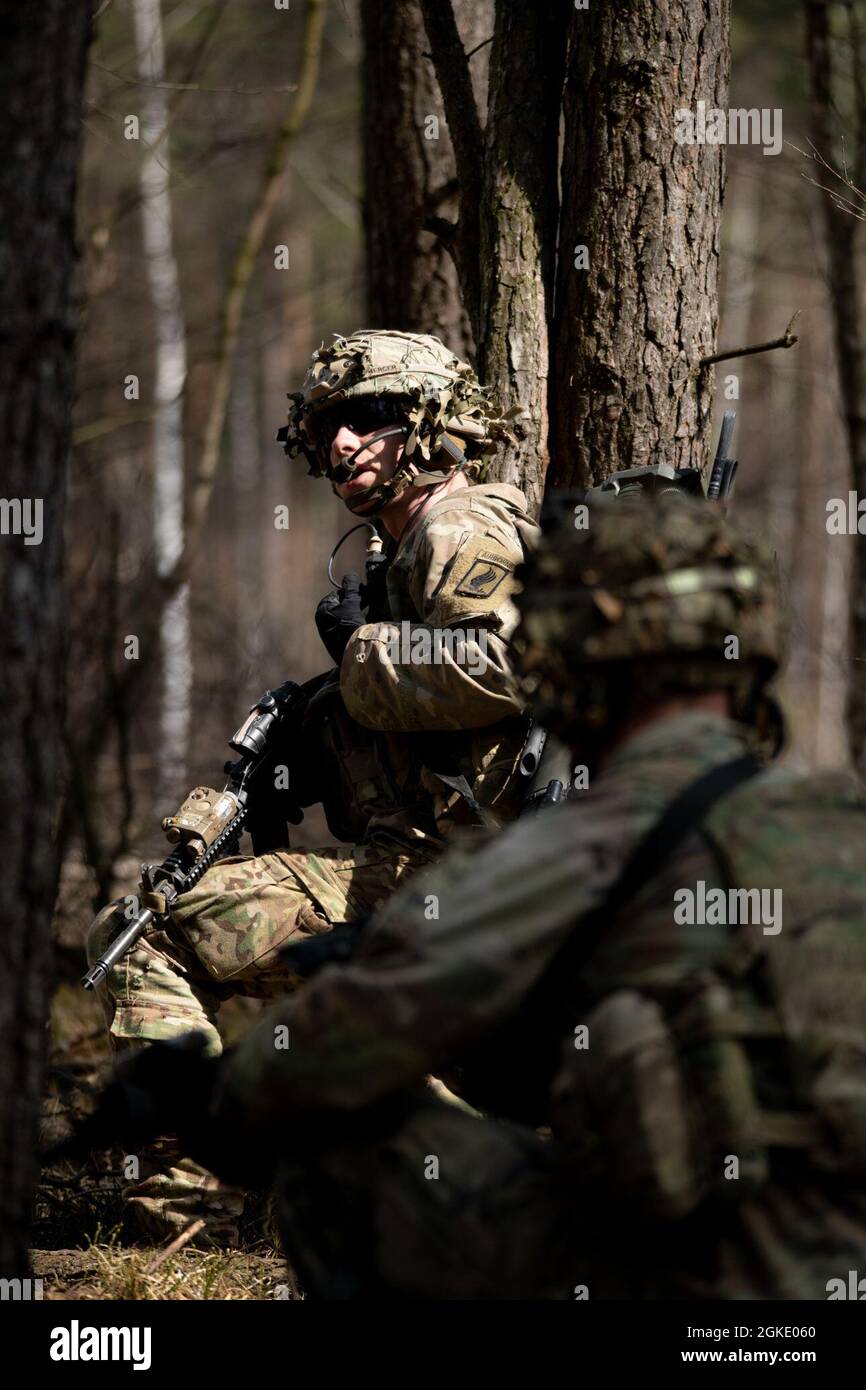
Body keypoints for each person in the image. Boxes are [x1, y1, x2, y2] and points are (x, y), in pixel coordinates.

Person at [181, 490, 866, 1298]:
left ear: (567, 661)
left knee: (337, 1154)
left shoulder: (561, 853)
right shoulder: (844, 822)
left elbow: (306, 1070)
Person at [86, 329, 539, 1242]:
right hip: (429, 891)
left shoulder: (458, 528)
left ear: (427, 424)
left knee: (148, 935)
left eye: (367, 417)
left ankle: (188, 1209)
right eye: (329, 422)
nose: (341, 443)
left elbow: (512, 666)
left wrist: (362, 655)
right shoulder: (406, 546)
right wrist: (317, 732)